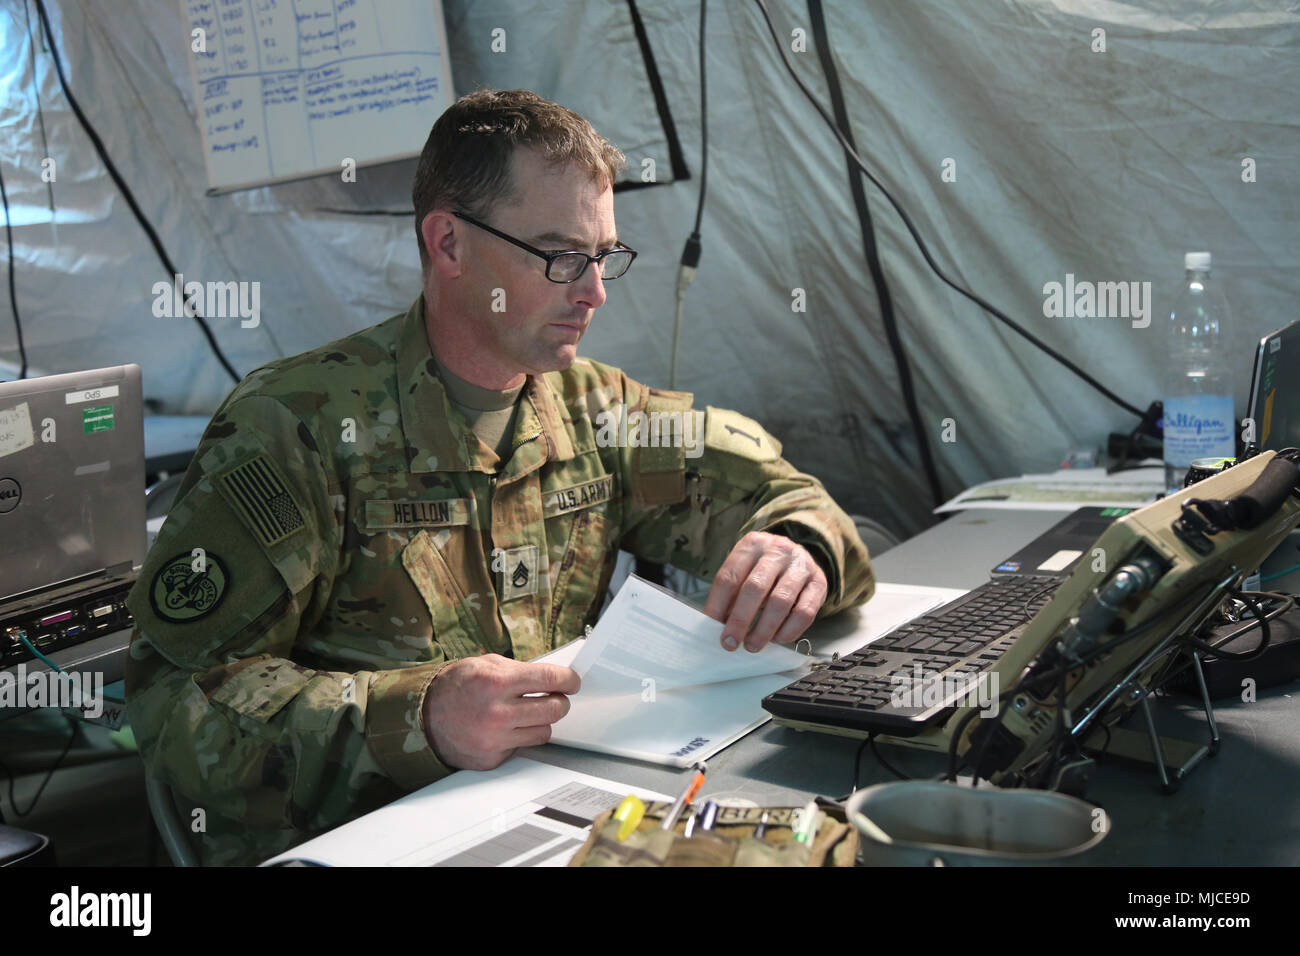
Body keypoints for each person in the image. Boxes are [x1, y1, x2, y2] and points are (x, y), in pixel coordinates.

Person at [125, 89, 875, 865]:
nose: (593, 291)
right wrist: (419, 719)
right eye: (559, 256)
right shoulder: (294, 428)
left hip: (547, 810)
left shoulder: (597, 409)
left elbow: (786, 498)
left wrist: (798, 551)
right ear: (448, 244)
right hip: (361, 837)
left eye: (603, 255)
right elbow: (177, 705)